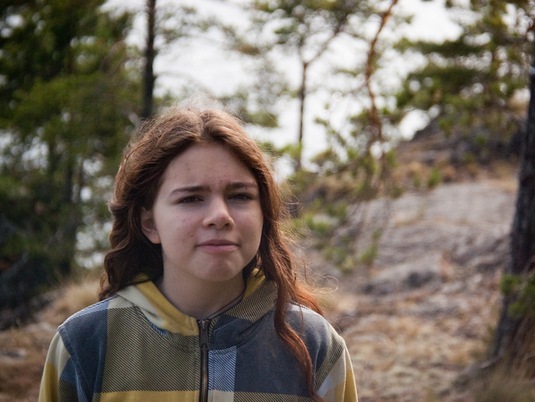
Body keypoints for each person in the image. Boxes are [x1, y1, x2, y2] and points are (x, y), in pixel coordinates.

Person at [38, 105, 357, 402]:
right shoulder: (85, 343)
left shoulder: (313, 344)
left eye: (240, 196)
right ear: (149, 223)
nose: (220, 216)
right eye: (191, 198)